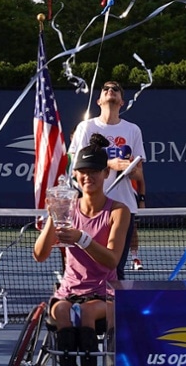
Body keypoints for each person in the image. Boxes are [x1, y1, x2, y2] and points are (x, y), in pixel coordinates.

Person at [34, 135, 130, 366]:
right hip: (68, 291)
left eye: (95, 170)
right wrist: (52, 216)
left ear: (106, 173)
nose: (88, 176)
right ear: (75, 174)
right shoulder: (66, 208)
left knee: (86, 313)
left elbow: (112, 260)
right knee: (63, 312)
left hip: (104, 293)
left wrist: (82, 239)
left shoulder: (118, 211)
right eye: (83, 171)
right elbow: (40, 255)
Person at [68, 81, 146, 279]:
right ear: (99, 100)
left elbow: (139, 173)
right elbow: (76, 166)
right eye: (106, 89)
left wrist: (129, 170)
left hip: (123, 206)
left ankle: (112, 309)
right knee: (85, 266)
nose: (110, 91)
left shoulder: (133, 130)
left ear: (122, 101)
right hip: (91, 208)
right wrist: (110, 164)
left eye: (116, 89)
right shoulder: (86, 127)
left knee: (115, 268)